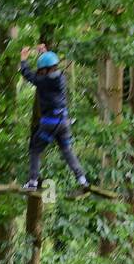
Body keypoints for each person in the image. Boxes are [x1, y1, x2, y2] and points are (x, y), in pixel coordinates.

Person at [20, 45, 89, 192]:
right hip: (64, 122)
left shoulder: (42, 81)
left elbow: (27, 74)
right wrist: (44, 55)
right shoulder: (61, 77)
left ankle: (32, 182)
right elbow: (48, 68)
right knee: (66, 150)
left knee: (35, 149)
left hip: (49, 124)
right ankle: (82, 179)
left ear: (44, 70)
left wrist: (23, 60)